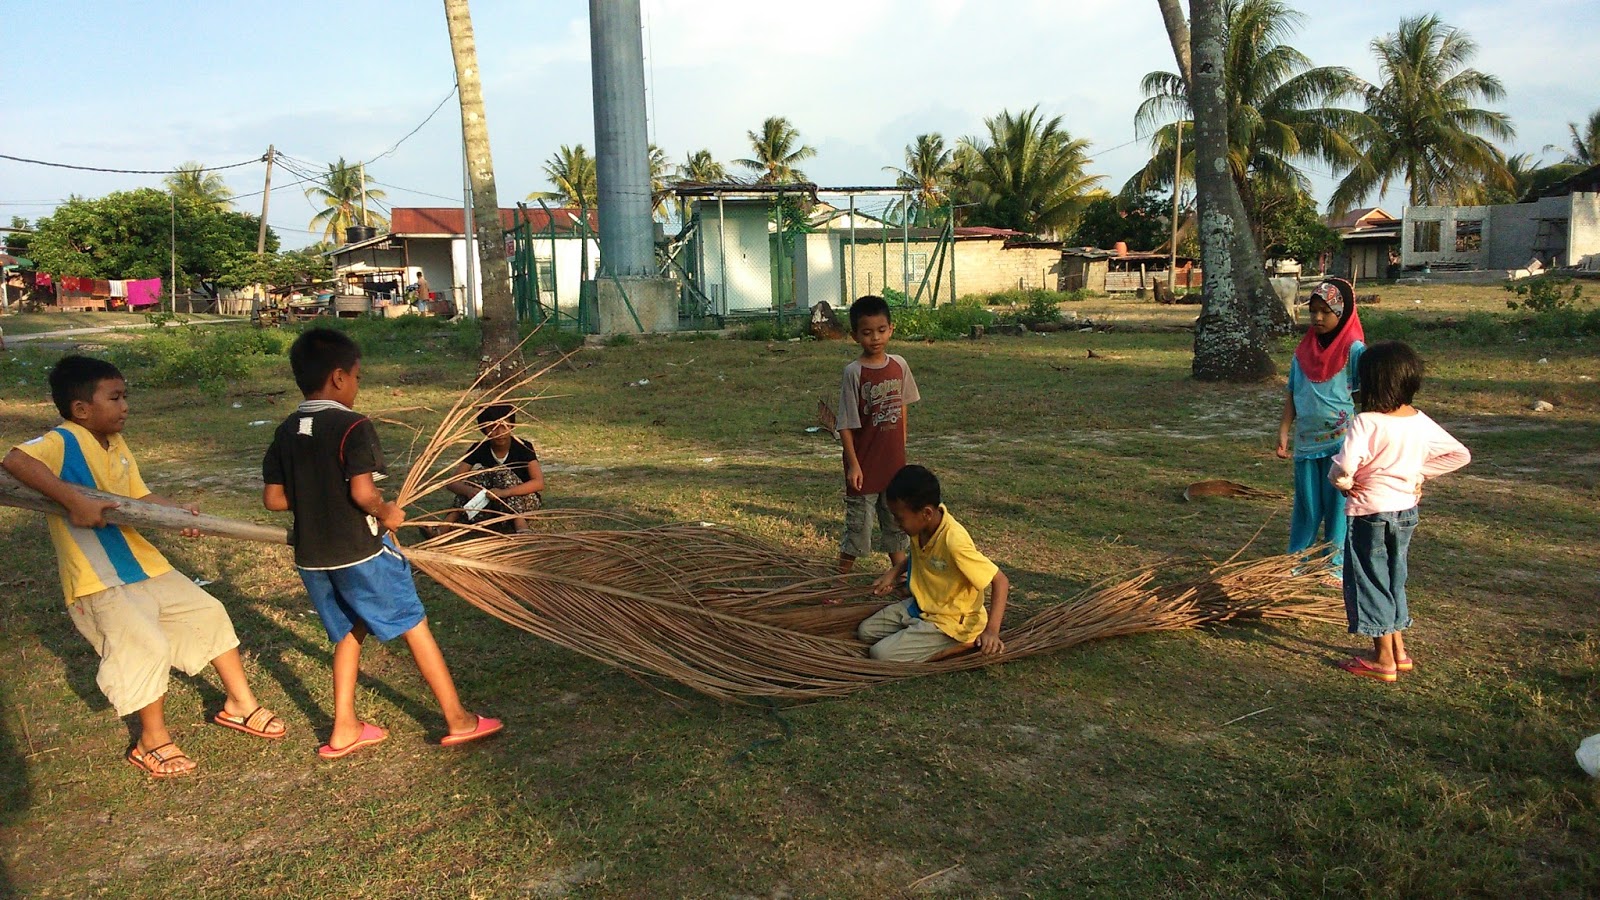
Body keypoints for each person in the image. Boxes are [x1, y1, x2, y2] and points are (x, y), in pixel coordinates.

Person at [2, 356, 286, 778]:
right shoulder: (63, 440)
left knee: (208, 612)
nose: (125, 406)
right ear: (81, 409)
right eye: (115, 398)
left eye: (125, 397)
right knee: (145, 645)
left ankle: (239, 705)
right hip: (98, 576)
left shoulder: (115, 446)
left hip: (144, 564)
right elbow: (14, 461)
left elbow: (139, 498)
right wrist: (73, 498)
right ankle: (151, 740)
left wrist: (181, 515)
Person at [261, 328, 501, 758]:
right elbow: (362, 494)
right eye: (357, 376)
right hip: (361, 553)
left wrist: (315, 495)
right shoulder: (352, 425)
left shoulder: (285, 431)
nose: (357, 385)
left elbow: (275, 500)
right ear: (338, 378)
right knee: (413, 623)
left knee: (350, 633)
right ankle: (458, 718)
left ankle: (344, 727)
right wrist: (387, 512)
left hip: (314, 560)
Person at [1328, 341, 1470, 682]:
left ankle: (1383, 660)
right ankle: (1399, 651)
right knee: (1394, 579)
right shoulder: (1419, 420)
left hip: (1368, 513)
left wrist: (1343, 482)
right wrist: (1419, 474)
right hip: (1405, 511)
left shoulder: (1366, 422)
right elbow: (1459, 455)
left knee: (1371, 582)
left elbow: (1343, 466)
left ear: (1370, 382)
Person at [857, 465, 1009, 663]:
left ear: (926, 513)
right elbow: (922, 556)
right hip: (922, 606)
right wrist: (894, 572)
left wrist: (992, 631)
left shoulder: (954, 542)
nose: (895, 523)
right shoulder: (919, 528)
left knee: (880, 654)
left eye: (899, 518)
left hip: (950, 620)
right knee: (865, 632)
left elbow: (1000, 581)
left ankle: (964, 642)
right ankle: (916, 633)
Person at [1275, 277, 1364, 582]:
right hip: (1305, 444)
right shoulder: (1301, 355)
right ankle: (1297, 561)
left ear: (1343, 312)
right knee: (1307, 505)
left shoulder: (1355, 351)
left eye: (1326, 311)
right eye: (1313, 311)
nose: (1318, 317)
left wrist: (1368, 441)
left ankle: (1334, 565)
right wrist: (1285, 430)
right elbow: (1292, 393)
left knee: (1338, 506)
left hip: (1342, 445)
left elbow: (1364, 399)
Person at [836, 294, 920, 575]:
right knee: (858, 528)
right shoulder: (854, 372)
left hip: (894, 466)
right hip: (863, 467)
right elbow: (845, 423)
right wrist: (854, 465)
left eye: (881, 330)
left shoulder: (900, 365)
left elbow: (903, 409)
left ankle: (903, 581)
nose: (875, 338)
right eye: (867, 332)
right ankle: (839, 582)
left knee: (896, 526)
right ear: (855, 335)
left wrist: (902, 451)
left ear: (891, 329)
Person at [435, 404, 544, 534]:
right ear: (484, 430)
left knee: (500, 471)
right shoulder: (479, 448)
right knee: (480, 476)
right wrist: (470, 491)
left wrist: (505, 492)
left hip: (523, 500)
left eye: (504, 426)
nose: (499, 433)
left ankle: (520, 523)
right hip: (491, 505)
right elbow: (453, 482)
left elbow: (538, 483)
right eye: (493, 428)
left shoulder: (523, 447)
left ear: (511, 426)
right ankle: (445, 525)